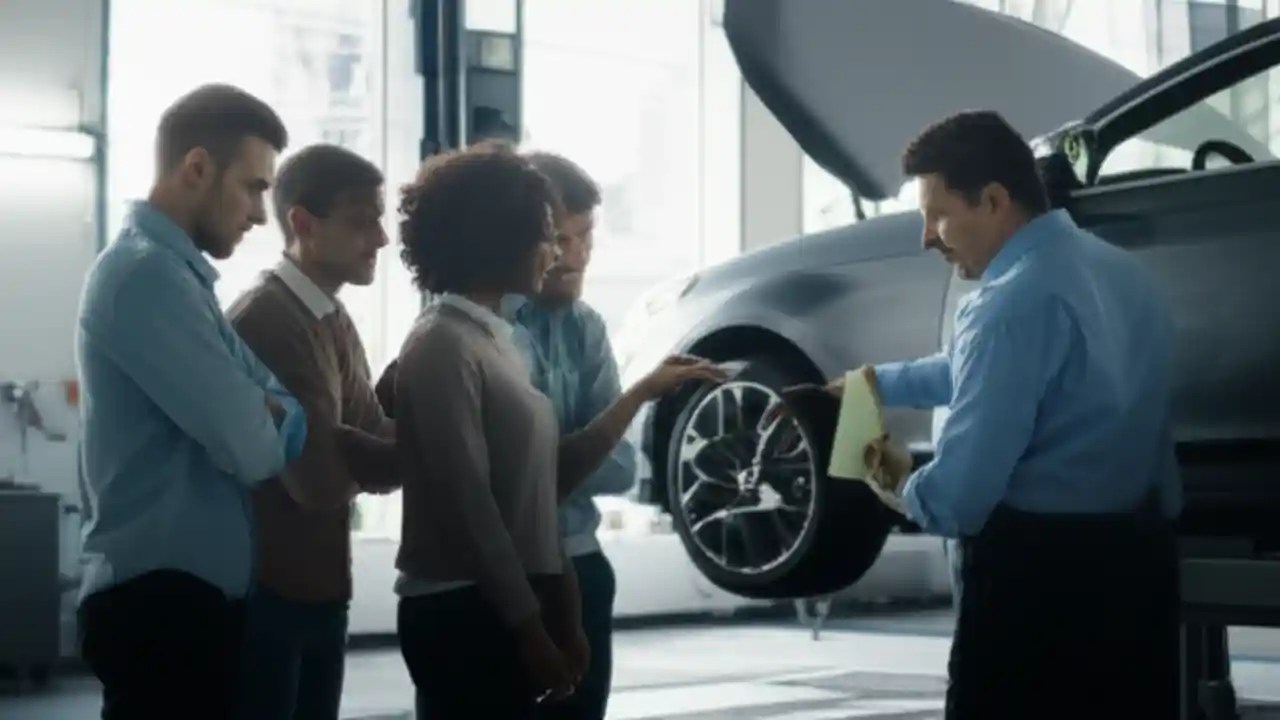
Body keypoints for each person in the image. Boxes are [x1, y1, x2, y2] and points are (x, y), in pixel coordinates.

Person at [797, 111, 1181, 719]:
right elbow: (998, 371)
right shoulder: (1122, 273)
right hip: (1138, 569)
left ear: (996, 200)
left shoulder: (1008, 307)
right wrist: (873, 383)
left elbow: (956, 502)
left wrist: (875, 459)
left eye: (938, 214)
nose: (926, 237)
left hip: (1037, 590)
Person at [391, 142, 725, 719]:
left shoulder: (490, 338)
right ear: (504, 240)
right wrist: (532, 631)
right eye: (549, 236)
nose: (562, 255)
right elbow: (481, 510)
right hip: (465, 607)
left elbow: (545, 487)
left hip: (520, 591)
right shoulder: (444, 343)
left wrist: (563, 619)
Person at [74, 84, 306, 720]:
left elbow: (285, 409)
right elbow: (255, 449)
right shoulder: (145, 277)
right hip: (159, 609)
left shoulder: (179, 278)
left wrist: (268, 409)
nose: (260, 215)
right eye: (254, 188)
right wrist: (265, 411)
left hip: (183, 606)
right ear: (198, 167)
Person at [227, 144, 401, 720]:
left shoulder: (330, 314)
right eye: (362, 221)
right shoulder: (268, 320)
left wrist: (363, 446)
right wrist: (370, 452)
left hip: (319, 591)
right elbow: (319, 482)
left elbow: (373, 439)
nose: (381, 239)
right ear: (303, 223)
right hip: (267, 598)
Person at [499, 151, 633, 720]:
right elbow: (516, 477)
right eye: (562, 239)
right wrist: (577, 448)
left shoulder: (588, 326)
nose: (578, 255)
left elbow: (623, 467)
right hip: (506, 577)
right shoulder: (486, 329)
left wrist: (559, 458)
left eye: (587, 237)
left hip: (583, 561)